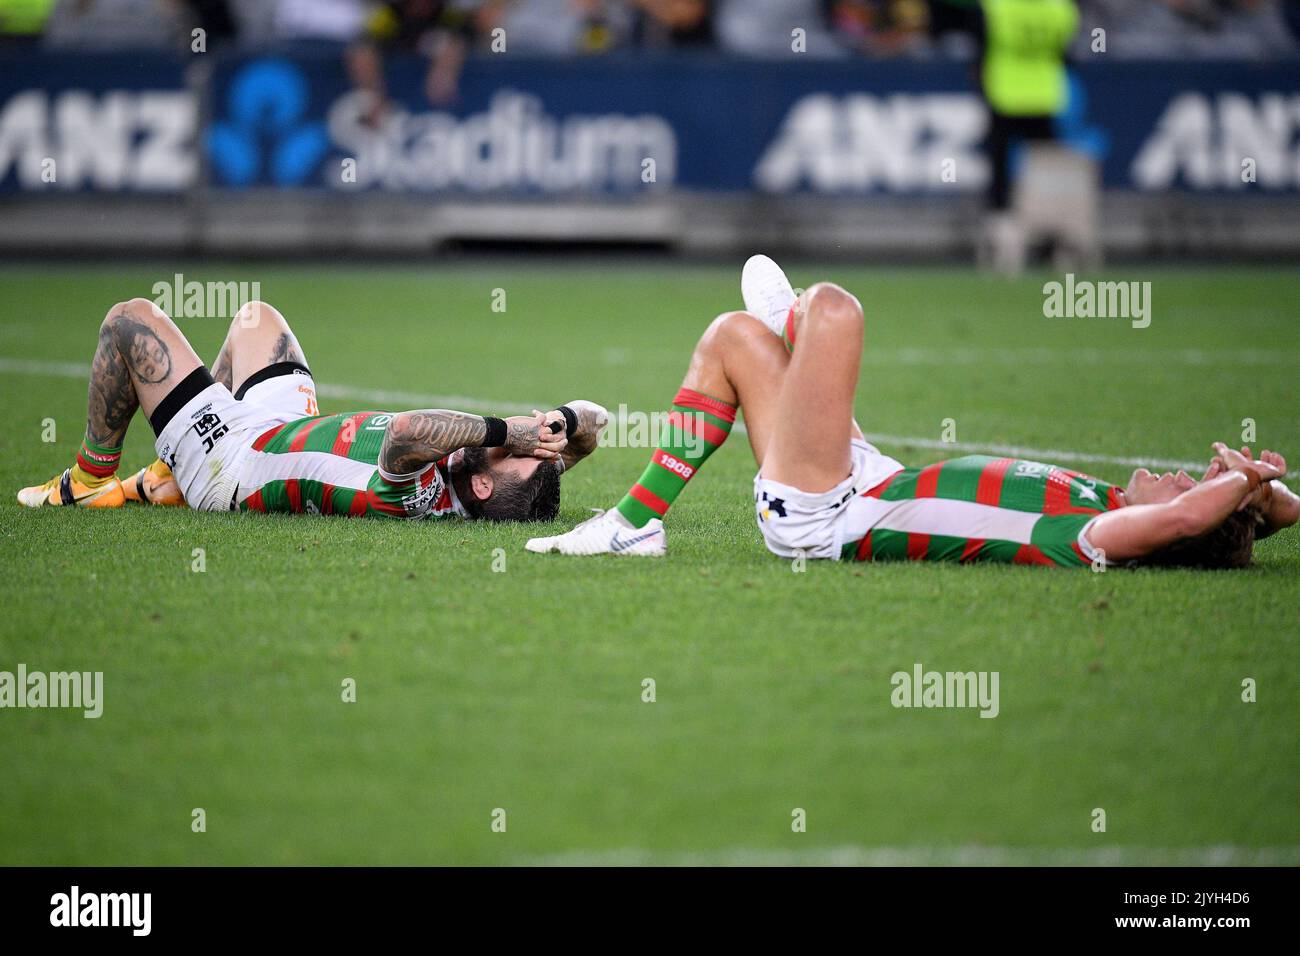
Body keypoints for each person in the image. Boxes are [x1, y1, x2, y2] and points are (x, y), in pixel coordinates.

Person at [527, 256, 1298, 566]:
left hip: (826, 510)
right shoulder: (1105, 498)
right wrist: (1262, 486)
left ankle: (795, 323)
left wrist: (1226, 492)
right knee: (732, 338)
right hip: (865, 477)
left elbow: (1188, 521)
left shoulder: (1095, 538)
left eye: (1186, 484)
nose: (1177, 475)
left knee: (834, 310)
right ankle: (634, 524)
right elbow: (1267, 516)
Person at [17, 296, 607, 520]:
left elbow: (406, 431)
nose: (519, 442)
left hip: (232, 468)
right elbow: (595, 421)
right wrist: (564, 424)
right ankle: (167, 474)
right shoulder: (489, 480)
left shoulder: (417, 493)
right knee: (256, 319)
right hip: (282, 429)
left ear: (480, 487)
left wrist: (509, 429)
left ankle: (92, 479)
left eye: (508, 453)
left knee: (129, 320)